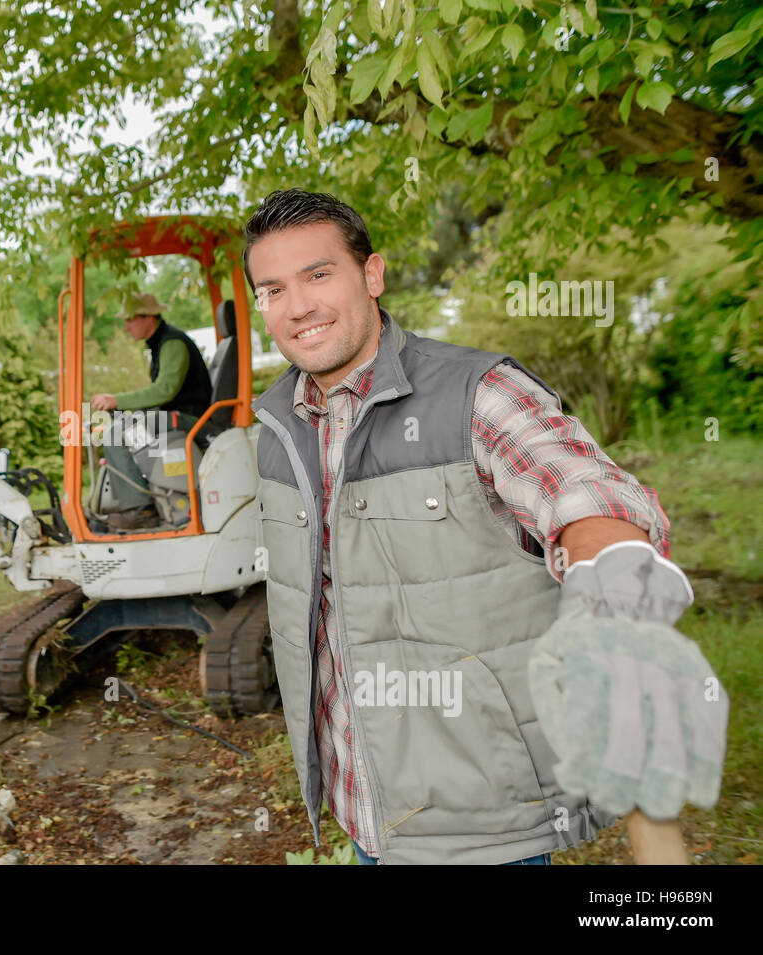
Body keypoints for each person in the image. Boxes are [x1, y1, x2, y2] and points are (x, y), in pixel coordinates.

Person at [244, 188, 727, 865]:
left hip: (482, 825)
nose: (297, 306)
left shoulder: (476, 392)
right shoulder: (273, 432)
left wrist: (613, 571)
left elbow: (583, 492)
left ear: (372, 275)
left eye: (318, 274)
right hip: (363, 807)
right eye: (272, 289)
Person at [90, 292, 214, 530]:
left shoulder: (173, 343)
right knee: (121, 429)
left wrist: (116, 400)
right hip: (176, 417)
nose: (126, 326)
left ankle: (139, 510)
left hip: (190, 419)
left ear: (149, 317)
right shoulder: (161, 344)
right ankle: (144, 500)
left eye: (130, 319)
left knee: (116, 434)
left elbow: (164, 391)